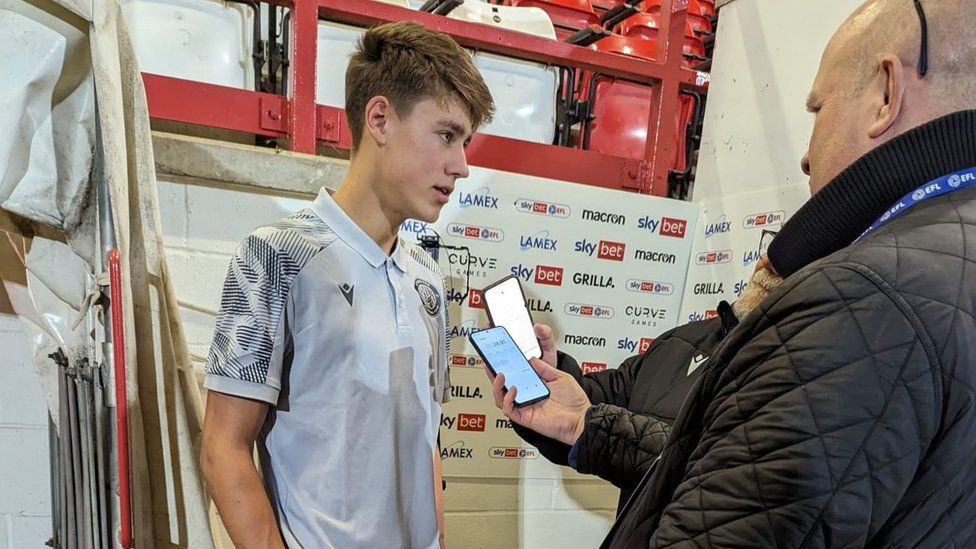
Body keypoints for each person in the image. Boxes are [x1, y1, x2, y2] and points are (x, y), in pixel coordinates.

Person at [489, 0, 976, 545]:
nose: (807, 157)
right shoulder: (935, 273)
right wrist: (565, 397)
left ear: (886, 95)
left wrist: (590, 427)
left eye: (818, 110)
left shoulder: (861, 301)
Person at [199, 21, 493, 548]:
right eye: (447, 135)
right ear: (379, 118)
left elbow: (427, 440)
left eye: (465, 141)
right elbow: (223, 447)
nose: (462, 165)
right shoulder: (277, 255)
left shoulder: (427, 279)